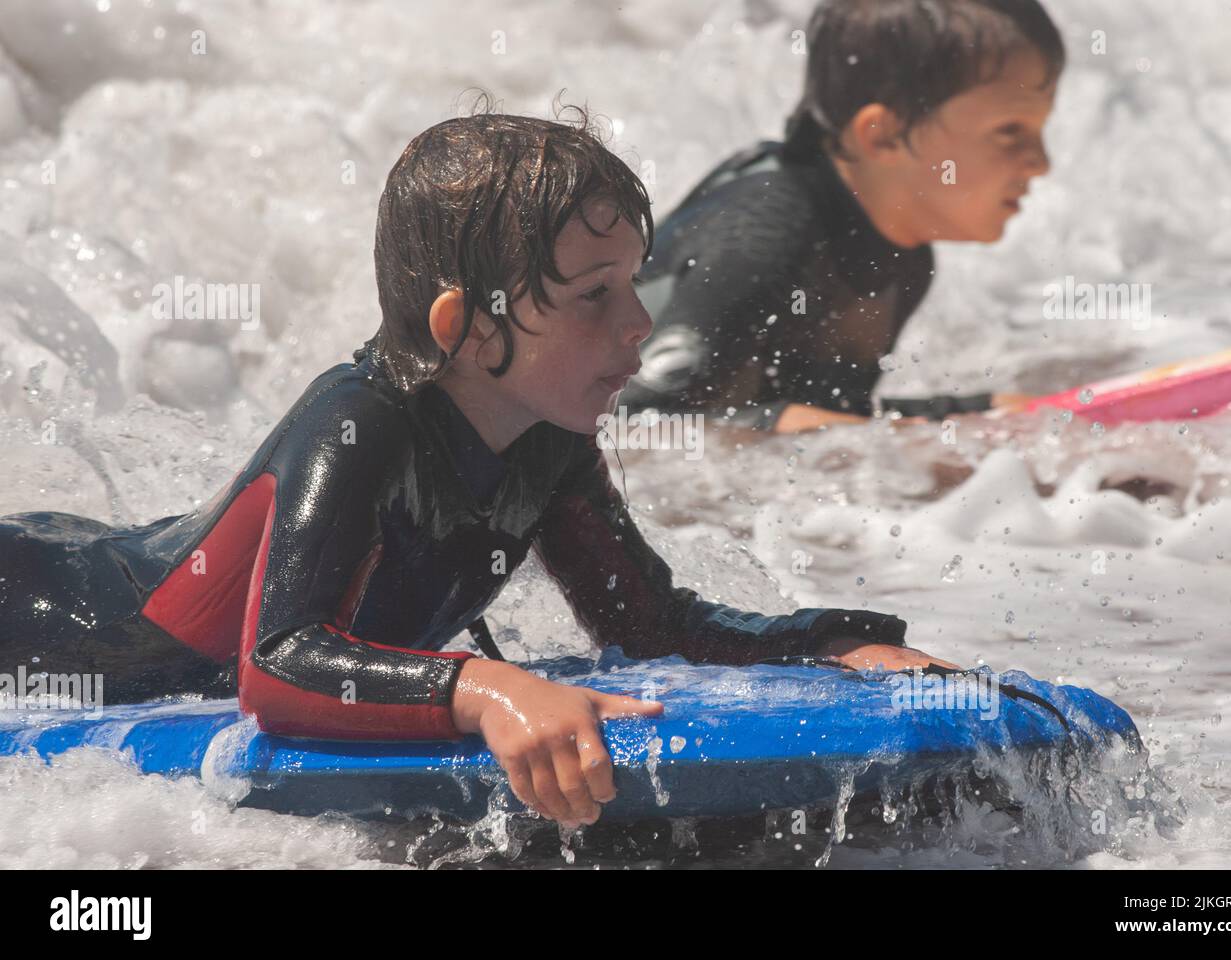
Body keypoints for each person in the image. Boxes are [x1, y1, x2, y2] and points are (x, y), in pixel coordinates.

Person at [0, 106, 954, 829]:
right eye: (593, 296)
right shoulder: (355, 428)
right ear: (466, 324)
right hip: (44, 612)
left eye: (632, 283)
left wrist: (825, 645)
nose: (638, 325)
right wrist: (488, 689)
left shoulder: (549, 443)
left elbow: (647, 622)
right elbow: (277, 667)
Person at [620, 0, 1062, 433]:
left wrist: (967, 413)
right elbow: (632, 428)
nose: (1042, 163)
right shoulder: (764, 230)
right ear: (883, 136)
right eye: (1010, 131)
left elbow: (824, 413)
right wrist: (925, 441)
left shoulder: (903, 259)